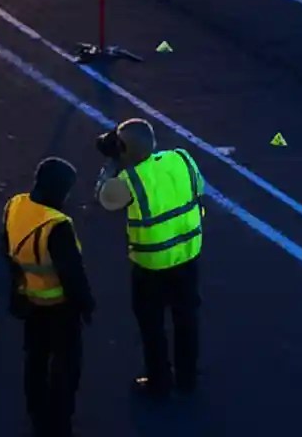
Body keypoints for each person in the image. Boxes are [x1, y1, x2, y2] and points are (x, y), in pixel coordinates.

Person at [95, 118, 205, 397]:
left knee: (152, 326)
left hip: (151, 267)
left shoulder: (128, 181)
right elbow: (199, 188)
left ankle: (159, 382)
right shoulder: (182, 159)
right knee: (186, 320)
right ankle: (187, 378)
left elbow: (105, 198)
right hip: (188, 256)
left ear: (124, 149)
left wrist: (111, 166)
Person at [3, 158, 95, 437]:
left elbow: (5, 250)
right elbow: (72, 273)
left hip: (30, 301)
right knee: (65, 368)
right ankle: (59, 424)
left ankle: (36, 413)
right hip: (59, 307)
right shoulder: (57, 225)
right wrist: (86, 304)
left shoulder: (15, 205)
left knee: (35, 359)